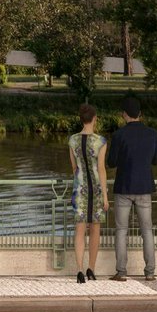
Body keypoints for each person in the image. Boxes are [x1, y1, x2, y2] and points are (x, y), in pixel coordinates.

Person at [106, 95, 157, 281]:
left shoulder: (119, 135)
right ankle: (150, 272)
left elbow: (111, 162)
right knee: (147, 231)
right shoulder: (152, 134)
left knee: (121, 231)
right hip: (144, 187)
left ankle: (121, 272)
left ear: (124, 114)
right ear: (140, 114)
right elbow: (156, 160)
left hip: (123, 187)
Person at [68, 103, 108, 283]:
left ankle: (79, 270)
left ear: (81, 119)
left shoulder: (72, 140)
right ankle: (91, 268)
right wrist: (105, 197)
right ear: (94, 119)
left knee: (79, 229)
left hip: (80, 188)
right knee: (95, 229)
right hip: (96, 189)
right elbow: (101, 169)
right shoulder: (101, 141)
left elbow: (74, 167)